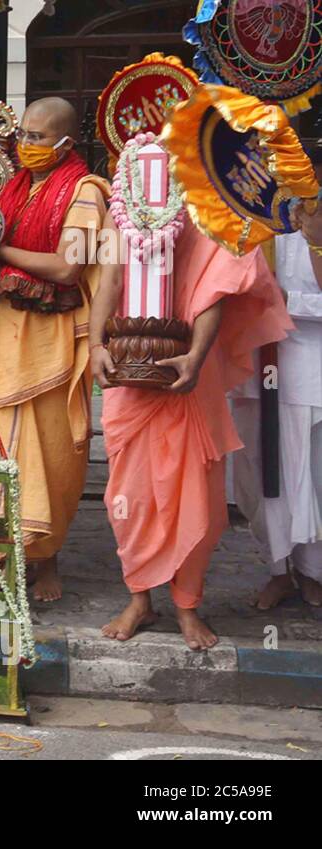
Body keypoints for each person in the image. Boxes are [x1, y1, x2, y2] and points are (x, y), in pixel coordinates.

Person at [92, 224, 291, 649]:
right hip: (129, 368)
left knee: (196, 496)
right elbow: (109, 277)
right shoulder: (125, 202)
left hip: (190, 371)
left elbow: (216, 289)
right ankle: (139, 598)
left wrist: (196, 357)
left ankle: (187, 603)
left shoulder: (209, 209)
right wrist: (95, 344)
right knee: (129, 495)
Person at [0, 97, 112, 602]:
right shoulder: (10, 189)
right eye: (23, 135)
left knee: (52, 457)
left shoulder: (85, 190)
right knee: (3, 450)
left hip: (54, 345)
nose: (25, 145)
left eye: (37, 137)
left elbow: (67, 268)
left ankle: (47, 560)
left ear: (66, 143)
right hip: (3, 337)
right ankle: (9, 560)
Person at [231, 194, 322, 609]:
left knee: (308, 478)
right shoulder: (255, 232)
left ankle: (312, 571)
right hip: (254, 369)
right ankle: (277, 571)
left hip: (305, 372)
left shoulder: (314, 237)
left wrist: (289, 303)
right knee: (257, 476)